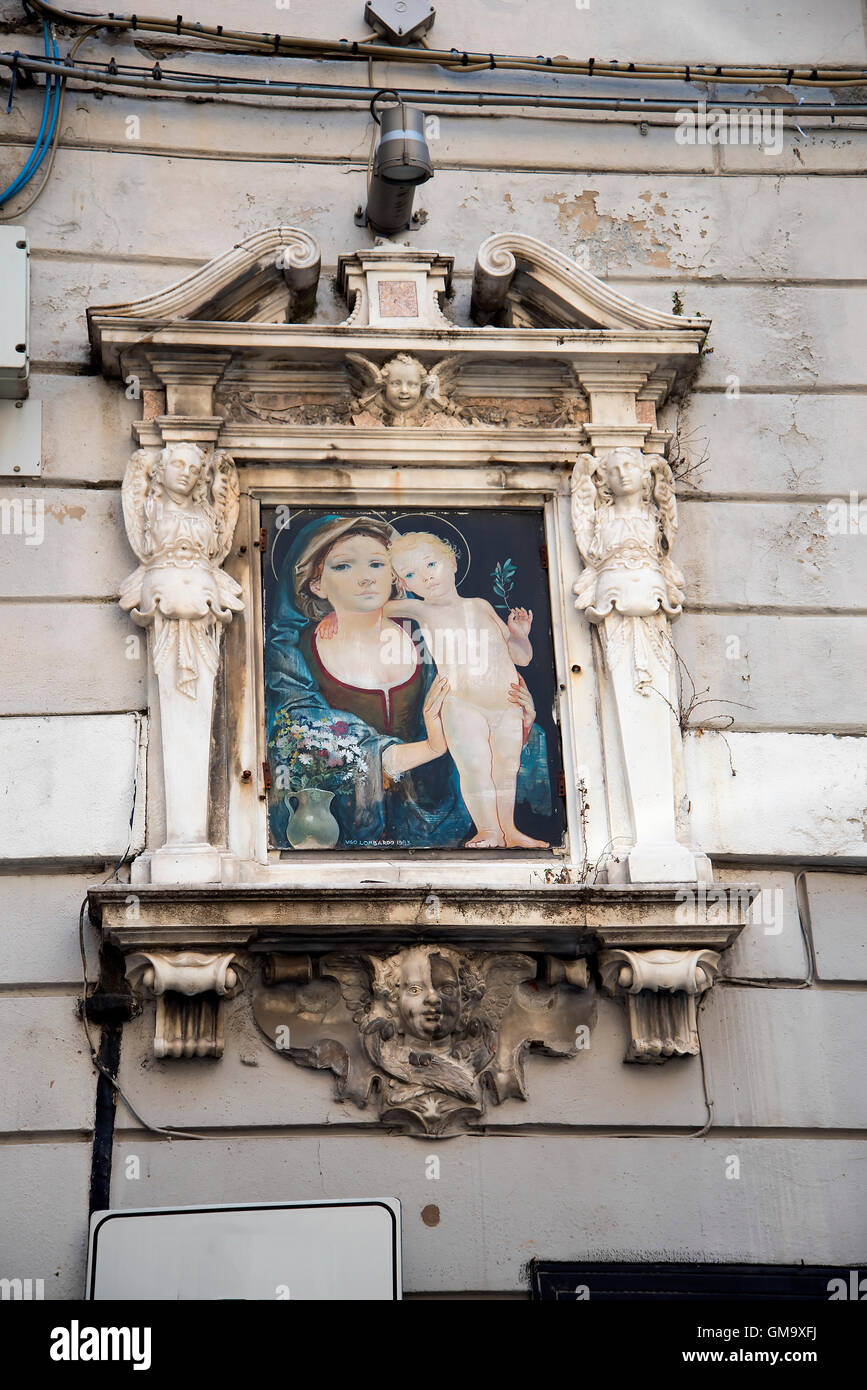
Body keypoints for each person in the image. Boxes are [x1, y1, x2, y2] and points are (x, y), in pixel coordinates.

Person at [265, 514, 473, 849]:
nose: (365, 578)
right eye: (344, 567)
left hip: (437, 818)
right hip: (342, 823)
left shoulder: (426, 636)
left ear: (393, 576)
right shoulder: (295, 651)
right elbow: (299, 731)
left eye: (377, 564)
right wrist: (428, 748)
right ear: (316, 584)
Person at [383, 531, 548, 849]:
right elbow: (375, 608)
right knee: (475, 768)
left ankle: (508, 830)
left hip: (507, 704)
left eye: (431, 563)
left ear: (453, 563)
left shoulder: (480, 606)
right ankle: (488, 830)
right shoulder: (423, 611)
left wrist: (519, 634)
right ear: (405, 585)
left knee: (505, 769)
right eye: (411, 574)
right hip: (462, 704)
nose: (426, 576)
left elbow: (522, 657)